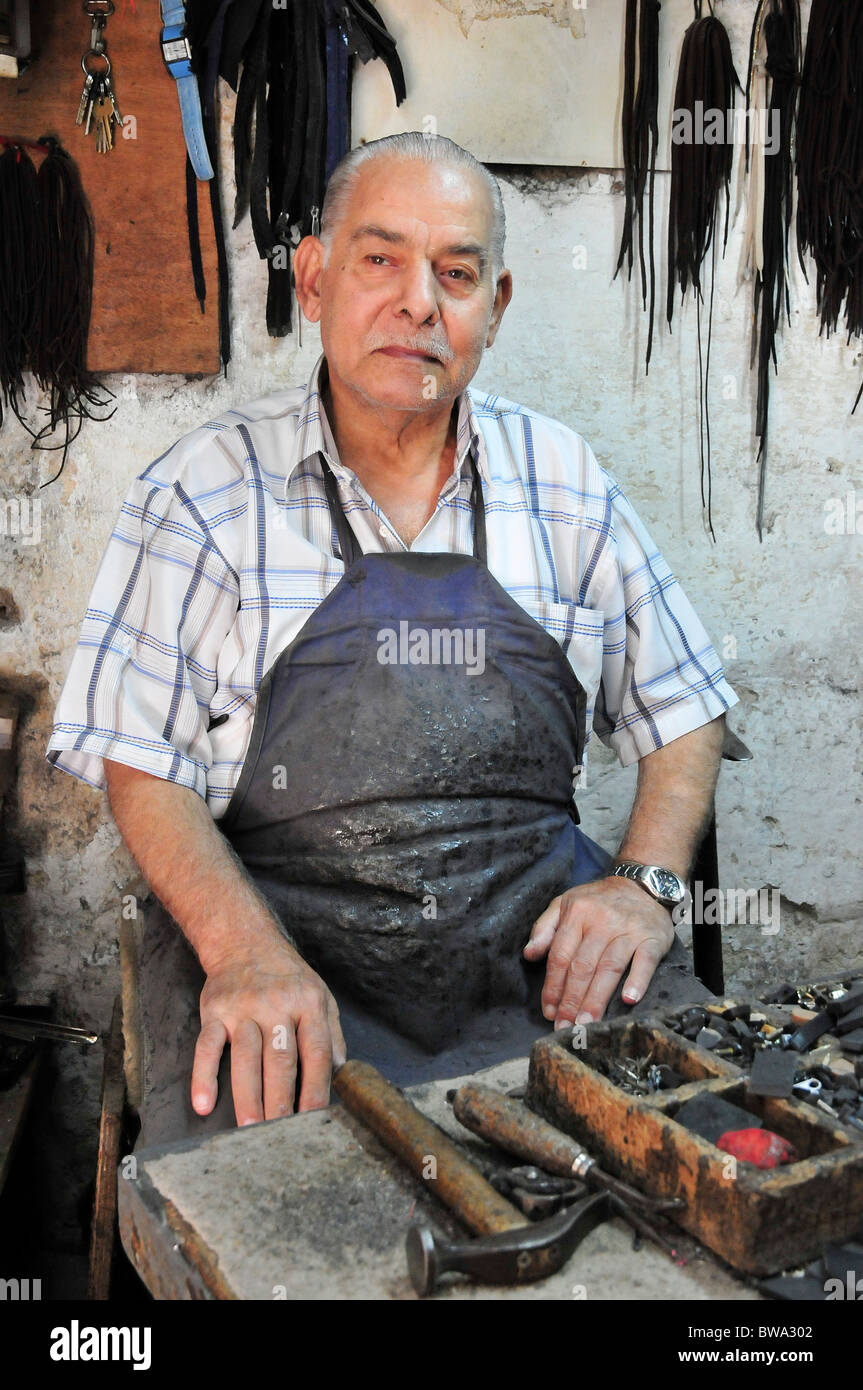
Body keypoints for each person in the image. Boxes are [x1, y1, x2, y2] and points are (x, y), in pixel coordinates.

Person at [47, 133, 737, 1147]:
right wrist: (242, 950)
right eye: (380, 260)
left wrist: (643, 885)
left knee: (697, 1162)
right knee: (274, 1220)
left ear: (491, 310)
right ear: (315, 280)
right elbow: (138, 765)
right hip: (286, 958)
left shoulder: (559, 477)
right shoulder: (201, 492)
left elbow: (684, 705)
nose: (419, 301)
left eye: (455, 273)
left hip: (531, 961)